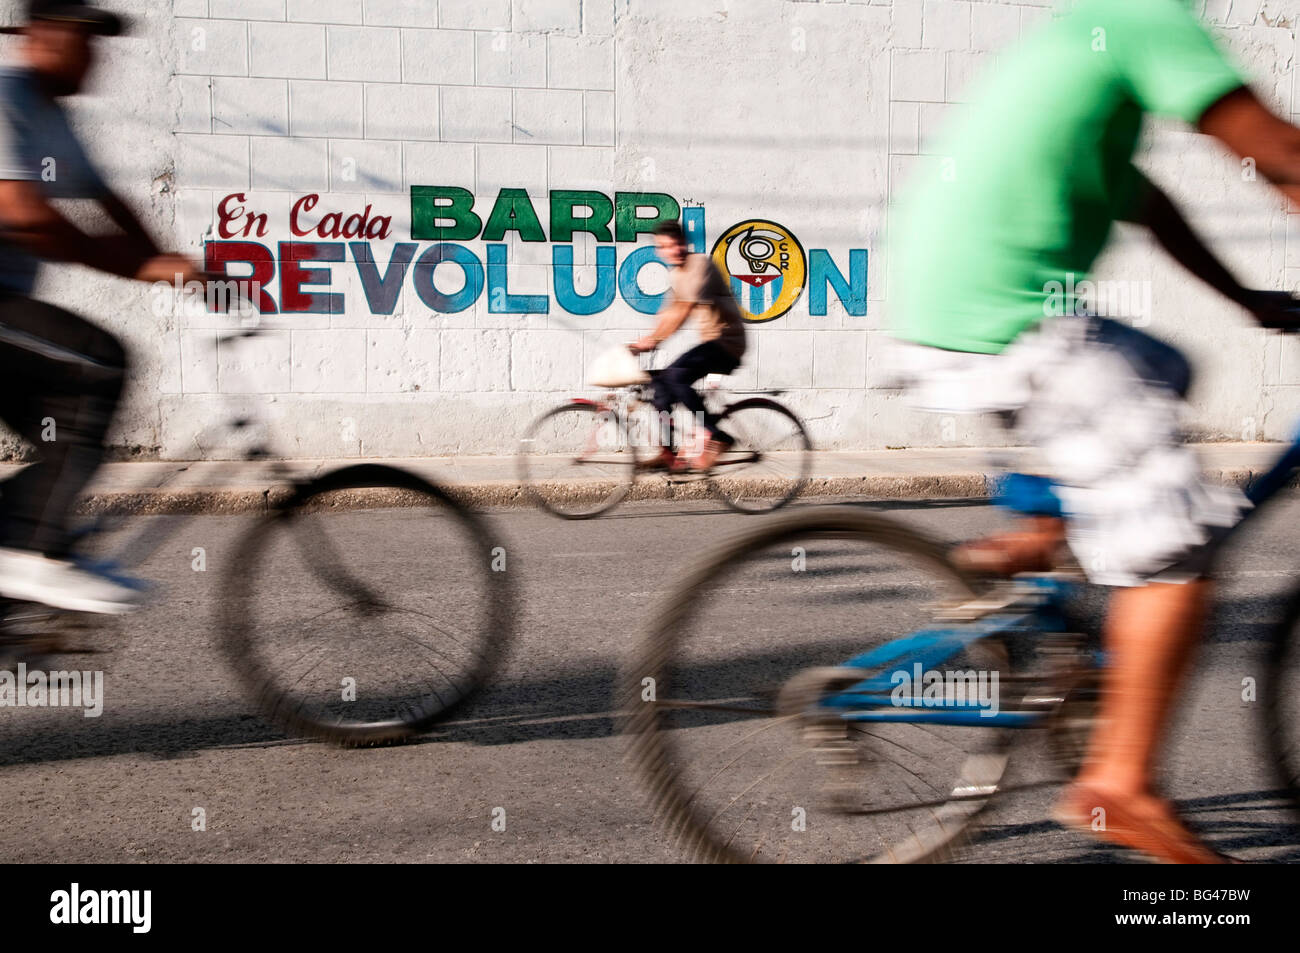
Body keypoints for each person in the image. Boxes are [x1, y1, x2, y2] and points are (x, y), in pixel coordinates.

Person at [889, 0, 1300, 863]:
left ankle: (1045, 522)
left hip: (956, 307)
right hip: (1008, 323)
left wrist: (1247, 300)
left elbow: (1150, 205)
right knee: (1183, 549)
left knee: (1166, 366)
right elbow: (1278, 149)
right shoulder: (1144, 16)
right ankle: (1118, 785)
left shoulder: (1085, 37)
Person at [0, 1, 206, 614]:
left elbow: (106, 204)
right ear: (37, 38)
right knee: (97, 363)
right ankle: (28, 554)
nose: (97, 56)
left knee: (66, 435)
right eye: (82, 39)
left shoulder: (52, 117)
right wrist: (141, 267)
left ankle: (26, 552)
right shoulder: (7, 98)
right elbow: (29, 218)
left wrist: (179, 268)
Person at [630, 221, 748, 472]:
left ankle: (716, 435)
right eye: (666, 246)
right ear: (660, 250)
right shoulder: (676, 274)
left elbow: (684, 310)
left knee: (676, 378)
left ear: (685, 243)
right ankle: (667, 452)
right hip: (711, 343)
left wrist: (654, 341)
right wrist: (645, 341)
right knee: (660, 386)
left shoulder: (700, 265)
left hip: (727, 343)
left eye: (677, 244)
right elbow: (670, 312)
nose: (673, 250)